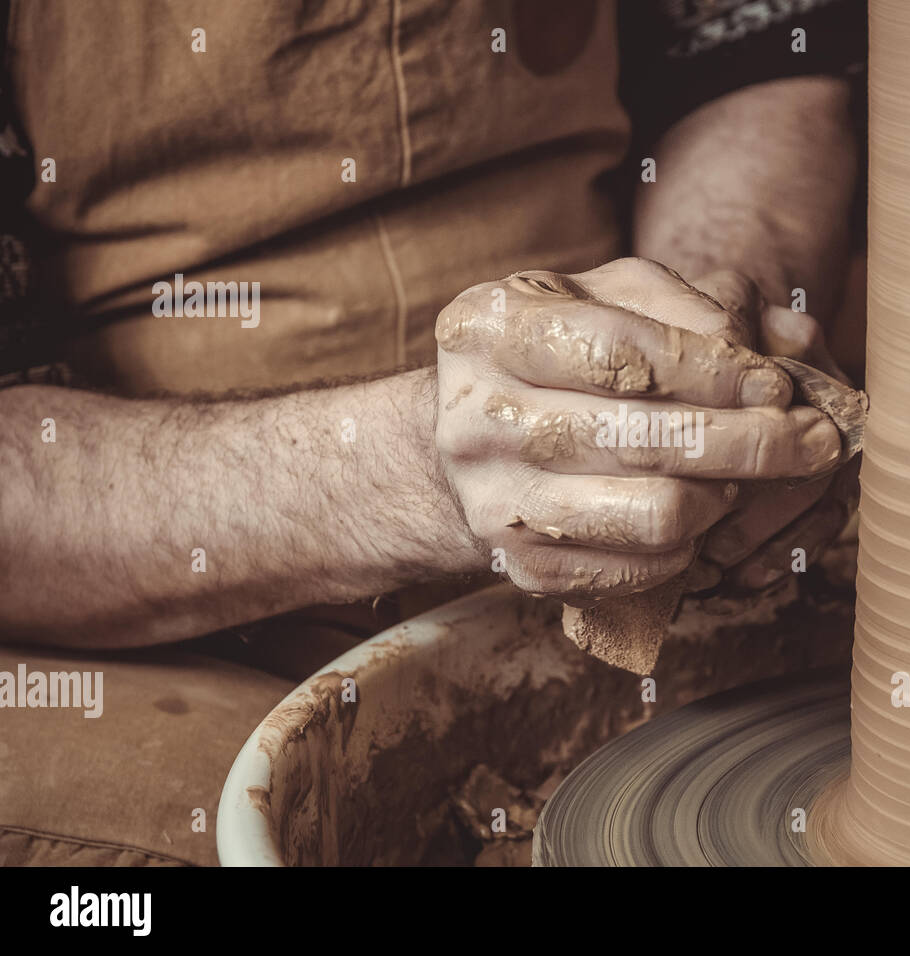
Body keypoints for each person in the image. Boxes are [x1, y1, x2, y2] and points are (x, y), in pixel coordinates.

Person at [0, 0, 866, 864]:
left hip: (594, 377)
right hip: (152, 569)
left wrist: (708, 323)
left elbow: (747, 60)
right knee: (232, 822)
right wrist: (408, 468)